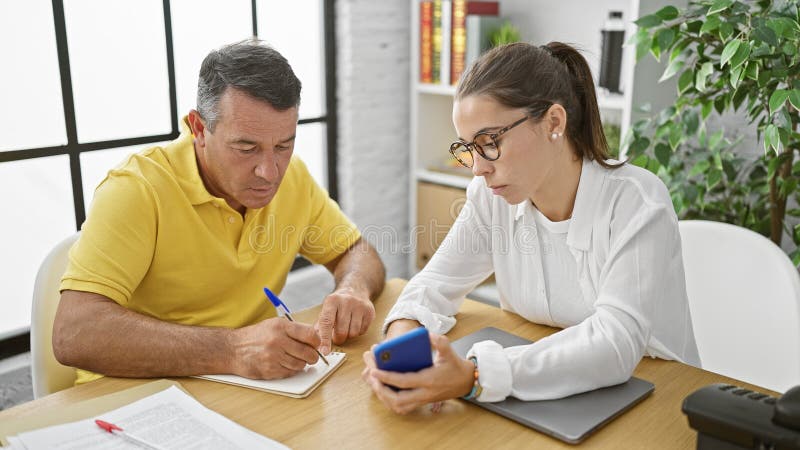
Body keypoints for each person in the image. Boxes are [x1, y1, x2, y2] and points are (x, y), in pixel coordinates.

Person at [362, 42, 699, 414]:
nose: (477, 168)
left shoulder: (636, 201)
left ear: (554, 122)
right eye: (468, 147)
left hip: (659, 398)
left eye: (490, 143)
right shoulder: (491, 196)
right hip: (548, 393)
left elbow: (615, 343)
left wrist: (475, 376)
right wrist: (398, 349)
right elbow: (432, 285)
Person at [53, 40, 385, 384]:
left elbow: (356, 252)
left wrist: (353, 288)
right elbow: (75, 333)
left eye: (283, 145)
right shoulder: (137, 188)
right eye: (246, 147)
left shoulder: (294, 177)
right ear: (199, 129)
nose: (270, 172)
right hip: (136, 396)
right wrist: (233, 350)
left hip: (247, 389)